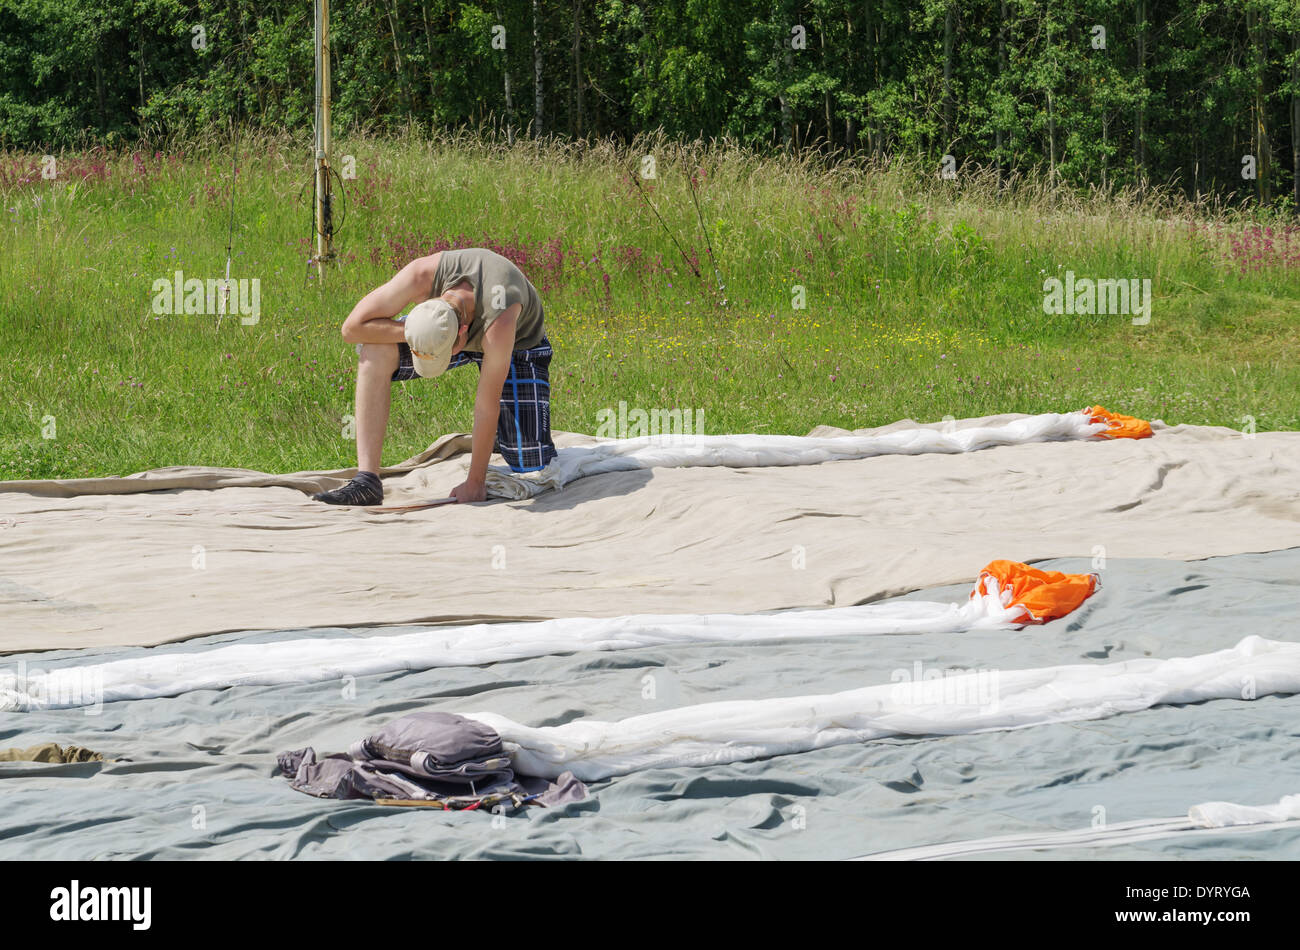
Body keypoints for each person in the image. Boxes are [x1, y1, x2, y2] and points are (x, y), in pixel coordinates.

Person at [313, 247, 557, 506]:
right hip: (444, 330)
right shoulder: (421, 275)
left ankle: (502, 437)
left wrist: (475, 483)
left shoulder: (500, 321)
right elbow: (352, 329)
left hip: (519, 345)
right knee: (374, 351)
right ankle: (367, 481)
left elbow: (486, 405)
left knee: (531, 465)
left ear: (462, 332)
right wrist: (416, 332)